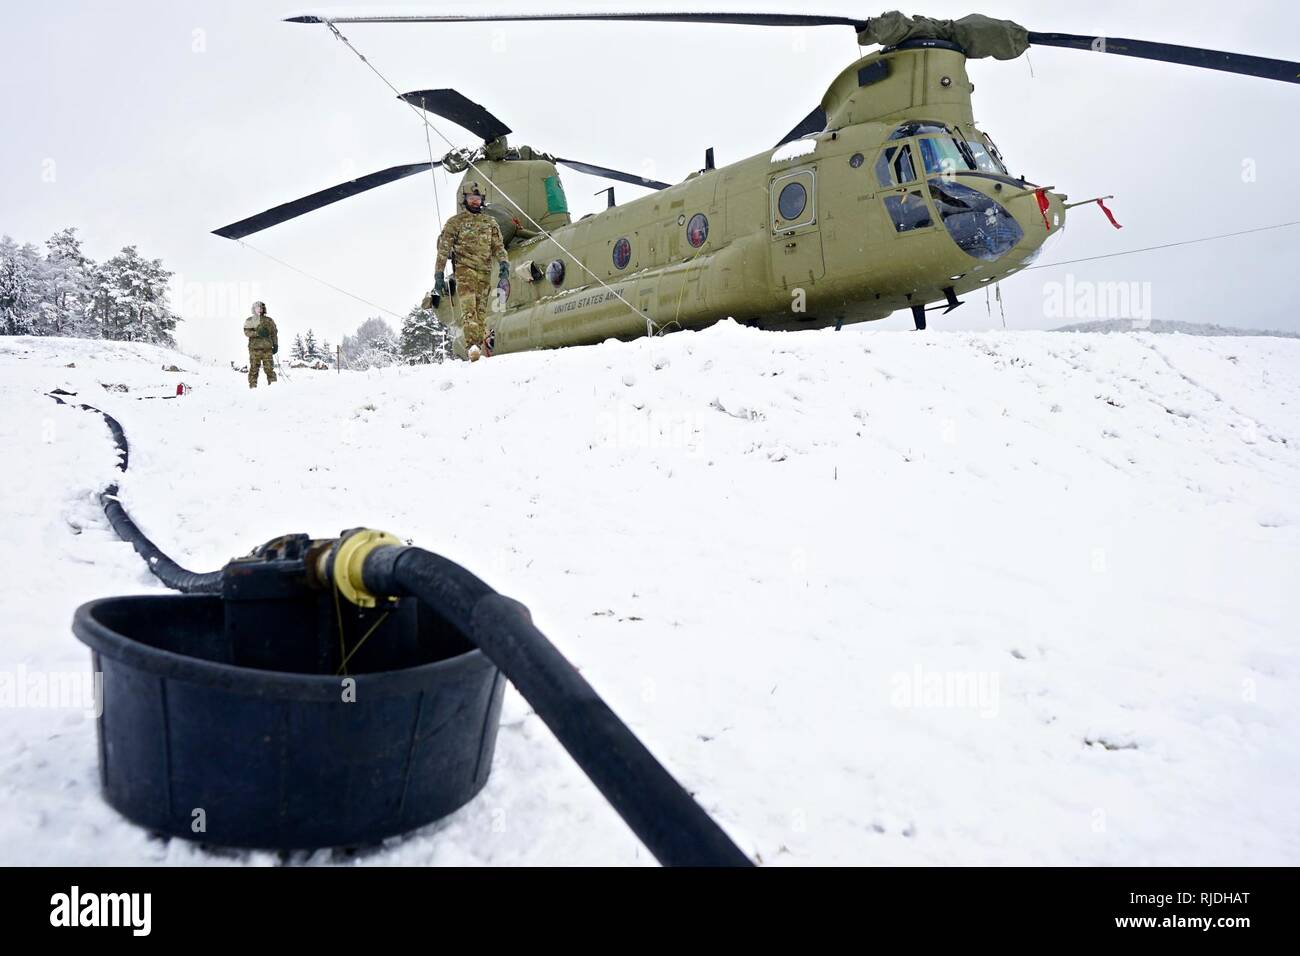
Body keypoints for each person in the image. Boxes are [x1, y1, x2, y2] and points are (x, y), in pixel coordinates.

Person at [433, 183, 509, 361]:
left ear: (482, 200)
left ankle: (479, 348)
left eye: (477, 199)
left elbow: (498, 247)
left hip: (484, 271)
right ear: (464, 200)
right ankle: (472, 347)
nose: (474, 202)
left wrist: (504, 266)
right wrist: (438, 274)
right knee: (469, 310)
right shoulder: (455, 222)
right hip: (464, 271)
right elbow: (443, 250)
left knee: (481, 311)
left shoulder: (490, 222)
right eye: (471, 199)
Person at [242, 301, 278, 388]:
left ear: (263, 309)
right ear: (254, 309)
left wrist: (275, 345)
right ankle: (252, 388)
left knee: (269, 369)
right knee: (254, 369)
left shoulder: (269, 320)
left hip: (267, 349)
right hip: (254, 349)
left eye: (261, 308)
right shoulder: (249, 320)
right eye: (257, 307)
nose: (259, 309)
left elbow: (274, 333)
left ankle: (274, 388)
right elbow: (246, 332)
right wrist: (258, 333)